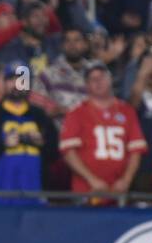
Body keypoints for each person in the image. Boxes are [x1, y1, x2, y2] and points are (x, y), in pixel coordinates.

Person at [0, 62, 59, 203]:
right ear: (4, 83)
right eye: (12, 79)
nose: (17, 84)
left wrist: (42, 143)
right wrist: (3, 144)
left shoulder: (40, 116)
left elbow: (54, 152)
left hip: (36, 196)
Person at [59, 60, 147, 199]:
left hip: (119, 191)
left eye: (101, 77)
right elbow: (68, 152)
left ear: (110, 79)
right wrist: (92, 180)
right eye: (92, 79)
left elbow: (136, 150)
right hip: (87, 191)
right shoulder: (76, 113)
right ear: (86, 85)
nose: (98, 82)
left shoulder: (127, 111)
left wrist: (126, 180)